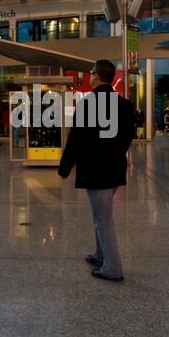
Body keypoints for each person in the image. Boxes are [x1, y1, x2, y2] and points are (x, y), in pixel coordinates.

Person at [57, 59, 140, 281]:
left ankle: (113, 268)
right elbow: (128, 136)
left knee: (103, 219)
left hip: (95, 169)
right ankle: (100, 254)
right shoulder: (125, 105)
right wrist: (115, 153)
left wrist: (65, 166)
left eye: (91, 72)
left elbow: (76, 139)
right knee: (100, 215)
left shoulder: (87, 104)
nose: (90, 75)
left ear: (96, 75)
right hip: (115, 168)